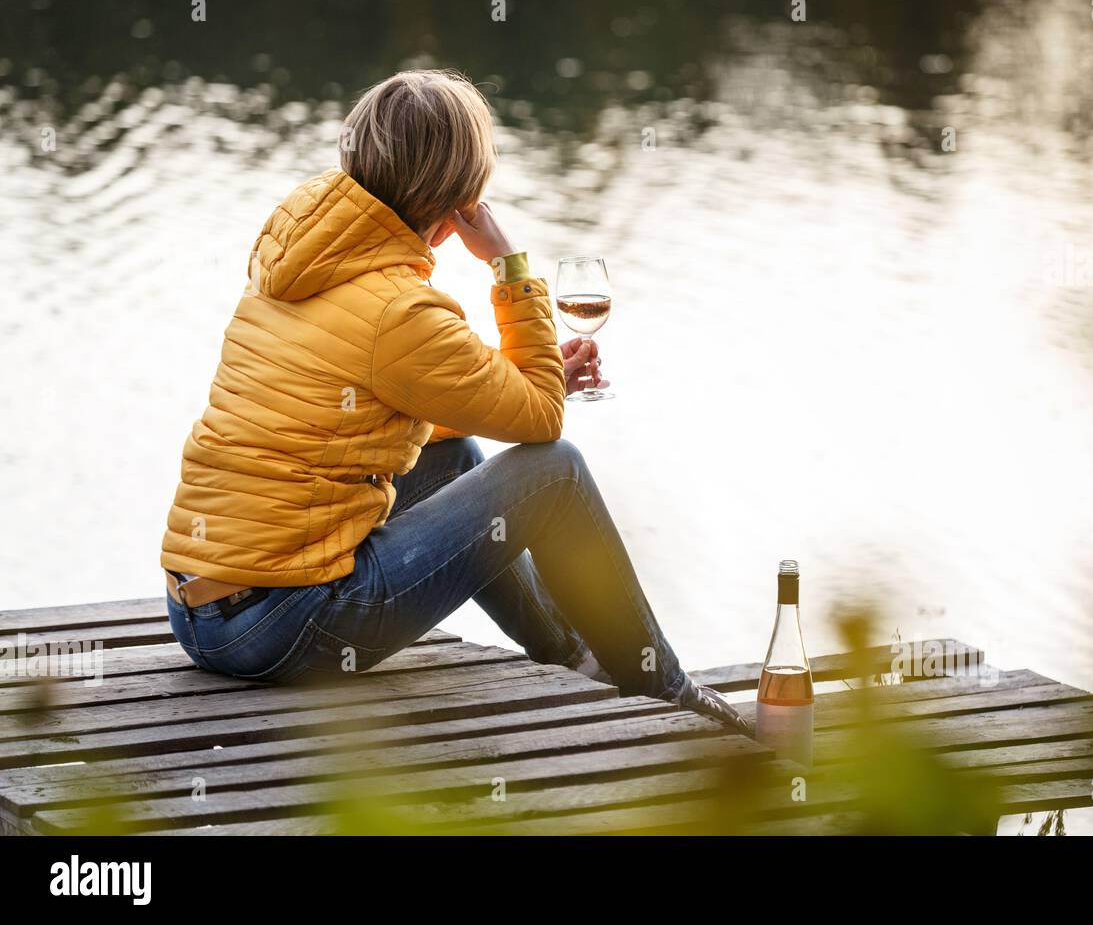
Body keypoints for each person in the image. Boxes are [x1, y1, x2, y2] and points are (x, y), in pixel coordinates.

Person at [159, 69, 751, 737]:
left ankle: (571, 657)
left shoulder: (298, 261)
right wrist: (508, 266)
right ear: (457, 204)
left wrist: (521, 384)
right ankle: (667, 692)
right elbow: (543, 423)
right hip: (287, 627)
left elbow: (358, 407)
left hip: (200, 613)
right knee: (556, 470)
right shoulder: (400, 308)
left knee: (453, 456)